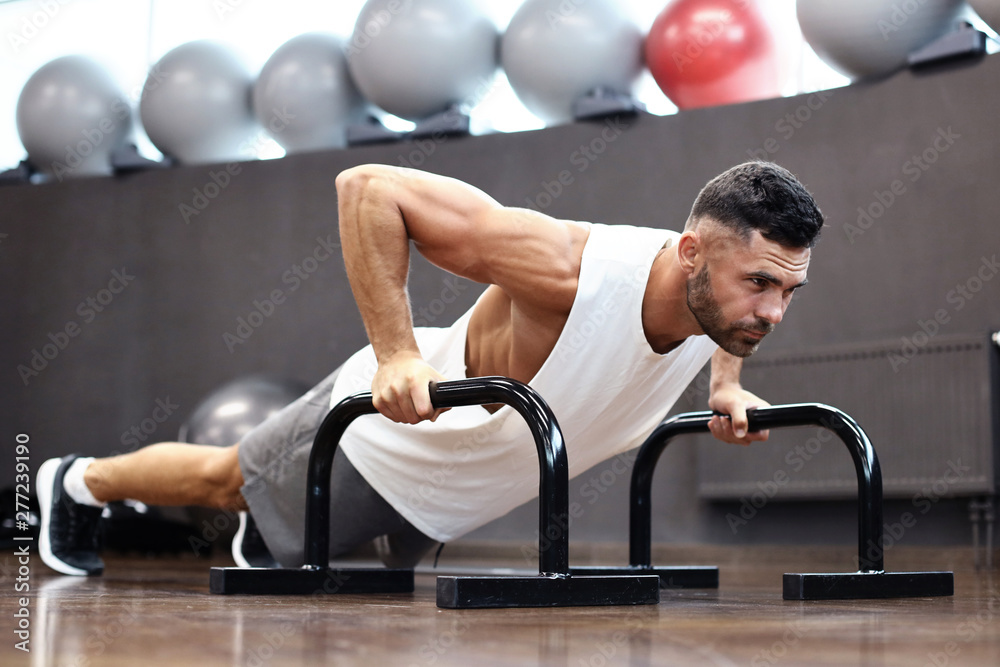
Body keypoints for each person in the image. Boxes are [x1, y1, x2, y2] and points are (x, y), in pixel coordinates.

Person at [36, 160, 822, 576]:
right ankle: (74, 482)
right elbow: (370, 189)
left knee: (295, 553)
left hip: (446, 496)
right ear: (691, 254)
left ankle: (266, 541)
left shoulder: (718, 292)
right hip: (382, 438)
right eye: (760, 283)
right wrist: (397, 353)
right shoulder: (569, 268)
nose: (773, 311)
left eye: (789, 288)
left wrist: (725, 384)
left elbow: (731, 321)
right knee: (222, 479)